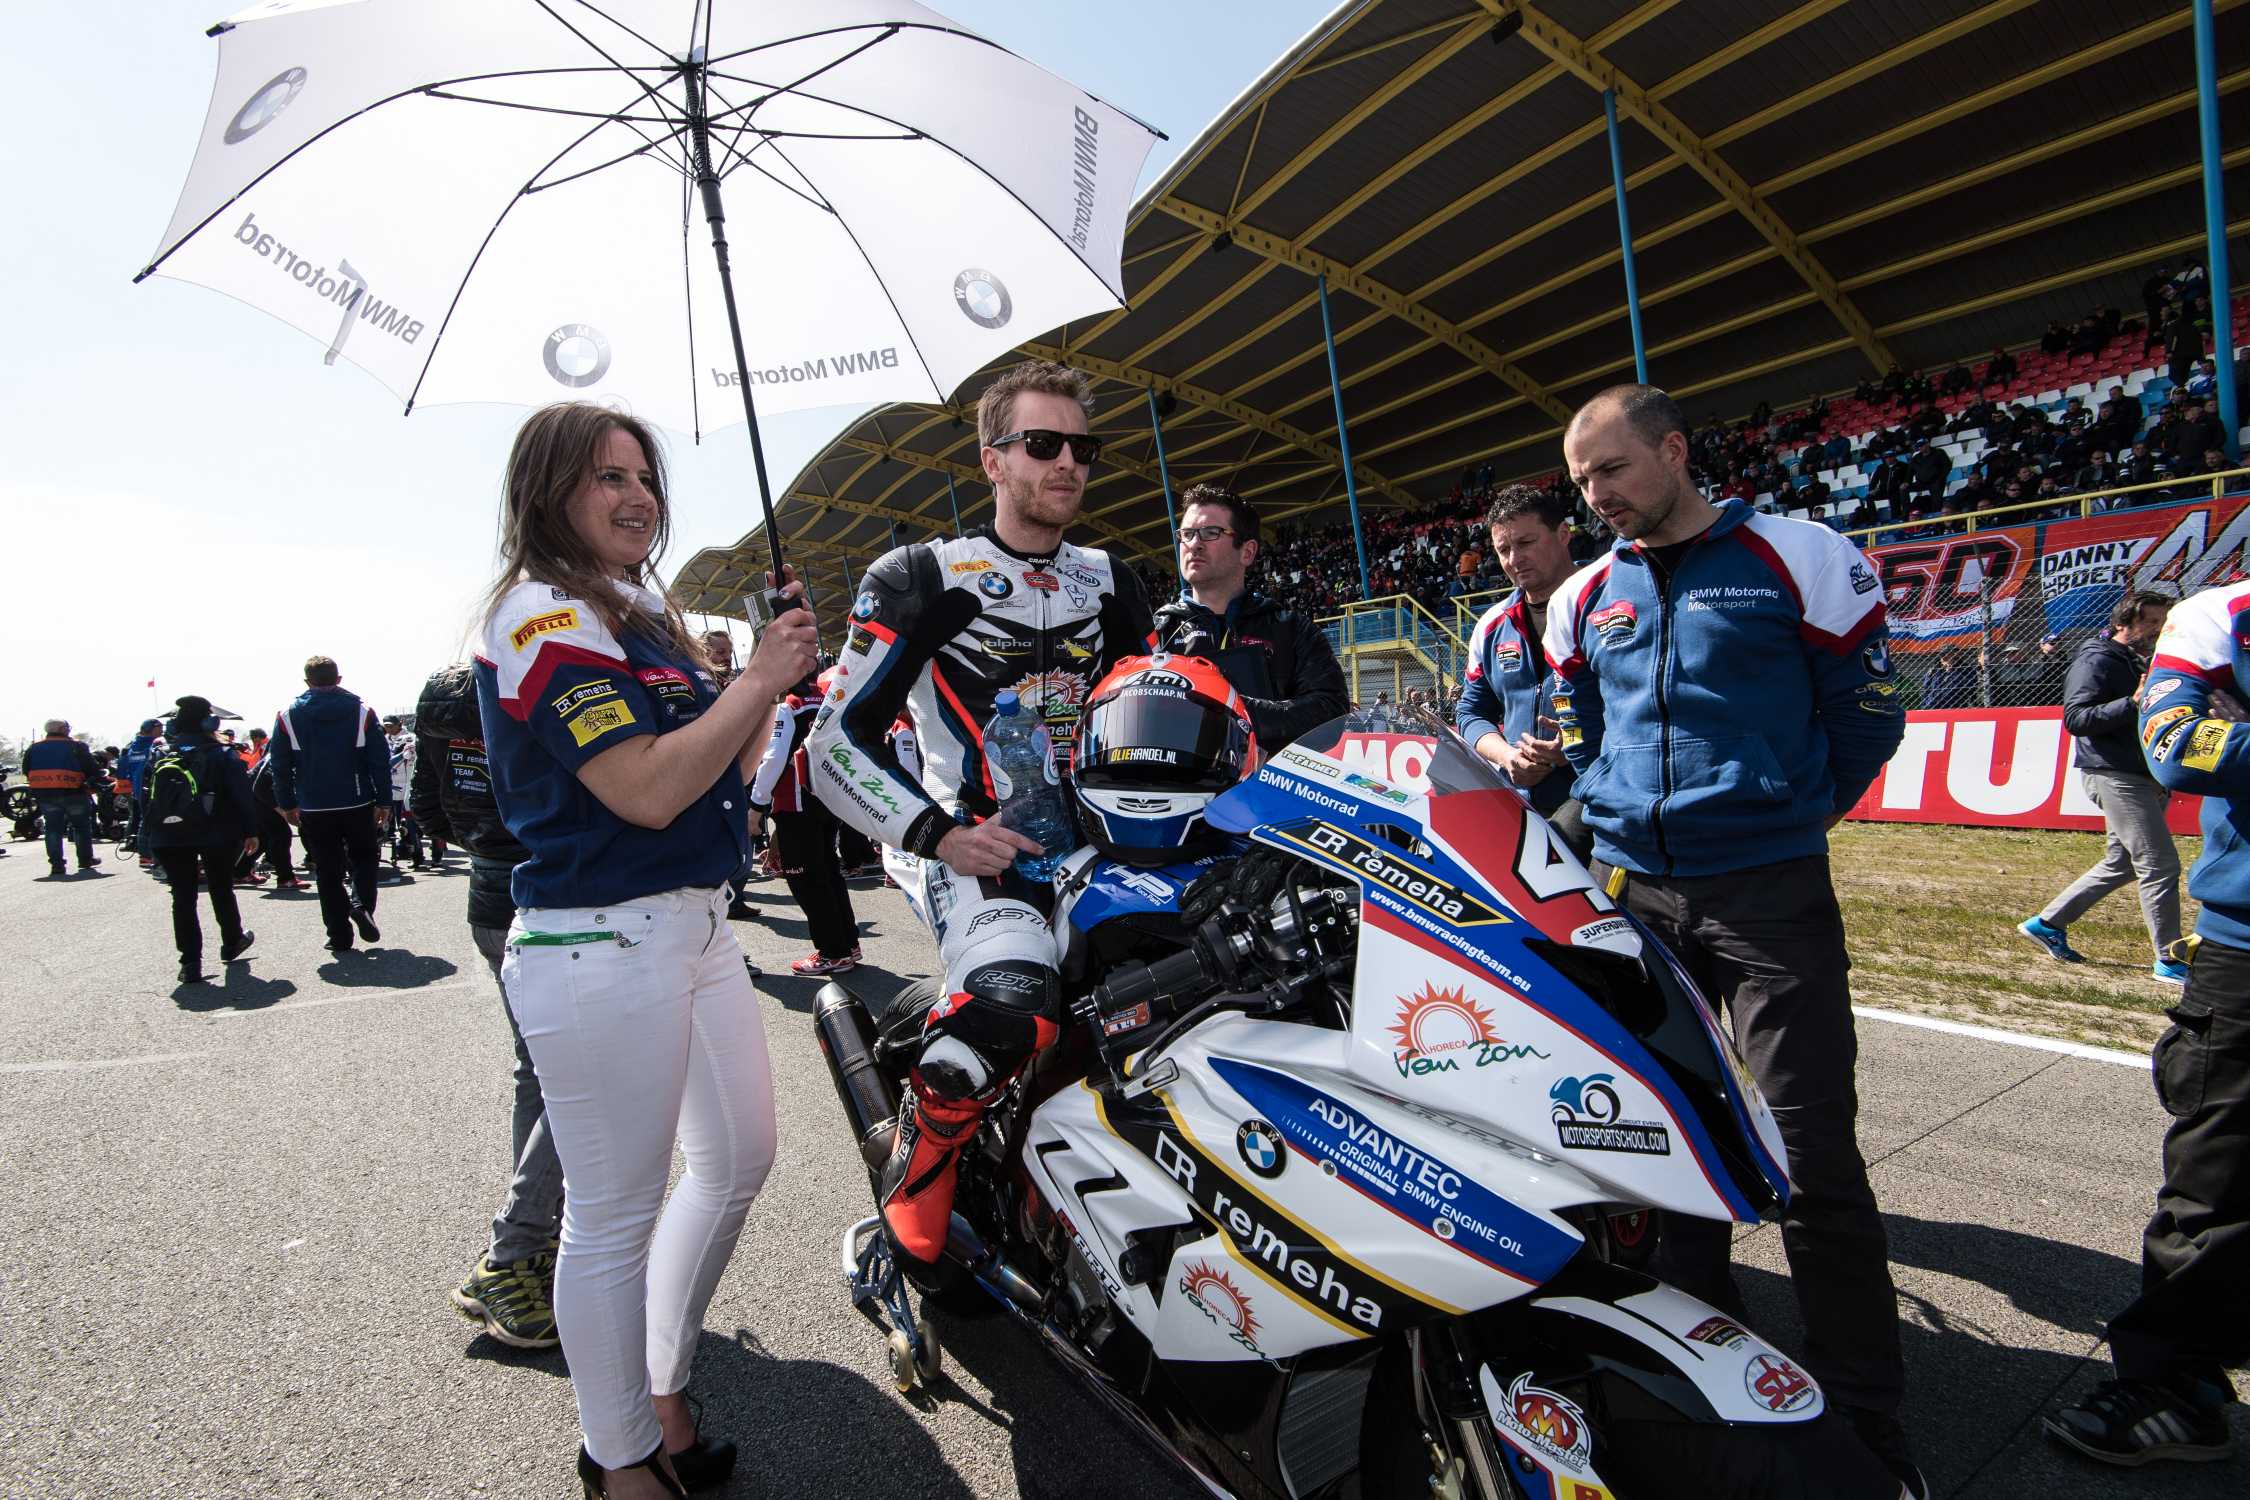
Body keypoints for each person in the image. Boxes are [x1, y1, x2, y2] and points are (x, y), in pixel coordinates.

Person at [1548, 383, 1922, 1497]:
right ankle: (1702, 1366)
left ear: (1672, 453)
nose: (1596, 497)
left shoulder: (1799, 554)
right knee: (1660, 1149)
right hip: (1637, 900)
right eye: (1580, 483)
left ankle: (1870, 1420)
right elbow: (1581, 730)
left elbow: (1869, 715)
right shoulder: (1582, 595)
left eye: (1610, 472)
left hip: (1770, 896)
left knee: (1813, 1167)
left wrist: (1787, 813)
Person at [475, 401, 815, 1499]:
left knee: (740, 1158)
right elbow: (646, 787)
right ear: (547, 494)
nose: (637, 498)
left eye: (646, 476)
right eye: (605, 477)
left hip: (699, 929)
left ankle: (661, 1384)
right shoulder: (537, 615)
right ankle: (618, 1456)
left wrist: (775, 675)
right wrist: (756, 680)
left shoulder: (643, 612)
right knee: (612, 1216)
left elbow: (723, 763)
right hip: (598, 943)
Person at [805, 358, 1156, 1276]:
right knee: (1010, 1002)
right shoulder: (919, 574)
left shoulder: (1115, 578)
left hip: (1093, 846)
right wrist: (939, 835)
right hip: (969, 845)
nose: (1068, 463)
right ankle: (914, 1185)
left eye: (1084, 447)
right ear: (993, 461)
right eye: (1043, 444)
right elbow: (836, 747)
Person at [2045, 582, 2250, 1466]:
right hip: (2244, 945)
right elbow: (2176, 746)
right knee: (2217, 1175)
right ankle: (2178, 1384)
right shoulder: (2219, 615)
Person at [411, 660, 563, 1350]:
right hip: (550, 893)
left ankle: (531, 1242)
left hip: (489, 893)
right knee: (579, 1082)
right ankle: (513, 1251)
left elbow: (426, 808)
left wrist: (487, 847)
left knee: (543, 1074)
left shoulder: (442, 689)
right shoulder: (541, 674)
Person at [2020, 593, 2184, 980]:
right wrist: (2134, 702)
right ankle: (2170, 959)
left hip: (2142, 773)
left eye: (2164, 621)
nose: (2159, 630)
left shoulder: (2144, 660)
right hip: (2114, 774)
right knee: (2159, 865)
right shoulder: (2098, 658)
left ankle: (2048, 923)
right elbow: (2077, 718)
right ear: (2124, 622)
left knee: (2121, 863)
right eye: (2152, 622)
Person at [1152, 483, 1350, 752]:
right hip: (1177, 790)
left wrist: (1224, 709)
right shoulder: (1156, 631)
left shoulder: (1291, 629)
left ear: (1247, 551)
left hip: (1265, 789)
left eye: (1211, 533)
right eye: (1187, 534)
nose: (1194, 544)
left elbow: (1331, 715)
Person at [1456, 483, 1589, 859]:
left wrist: (1575, 743)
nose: (1515, 559)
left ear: (1563, 535)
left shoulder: (1608, 603)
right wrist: (1506, 757)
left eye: (1526, 543)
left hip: (1593, 792)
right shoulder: (1492, 625)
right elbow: (1470, 712)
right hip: (1515, 797)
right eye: (1503, 550)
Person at [269, 657, 392, 952]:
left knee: (327, 870)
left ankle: (338, 934)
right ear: (338, 679)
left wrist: (286, 803)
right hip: (357, 800)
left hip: (313, 805)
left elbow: (280, 765)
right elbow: (379, 760)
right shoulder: (362, 711)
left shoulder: (287, 716)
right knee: (364, 858)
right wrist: (384, 800)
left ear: (307, 682)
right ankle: (360, 905)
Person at [748, 671, 861, 975]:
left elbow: (773, 758)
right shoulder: (827, 699)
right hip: (826, 798)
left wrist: (757, 804)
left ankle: (833, 953)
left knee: (807, 880)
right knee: (829, 873)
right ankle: (847, 944)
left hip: (795, 802)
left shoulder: (789, 705)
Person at [146, 695, 258, 984]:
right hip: (217, 831)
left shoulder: (160, 753)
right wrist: (251, 830)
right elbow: (242, 795)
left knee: (182, 897)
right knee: (221, 887)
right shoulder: (222, 753)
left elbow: (145, 797)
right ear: (211, 722)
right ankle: (232, 940)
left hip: (169, 832)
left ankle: (190, 963)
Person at [23, 719, 101, 878]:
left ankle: (57, 865)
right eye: (68, 727)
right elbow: (93, 768)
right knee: (81, 827)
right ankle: (85, 860)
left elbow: (26, 769)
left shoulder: (34, 748)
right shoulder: (76, 746)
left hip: (45, 795)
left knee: (53, 829)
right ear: (62, 729)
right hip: (74, 793)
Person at [119, 718, 162, 860]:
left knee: (144, 819)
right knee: (150, 821)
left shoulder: (130, 747)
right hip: (151, 787)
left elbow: (122, 770)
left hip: (138, 789)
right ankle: (147, 855)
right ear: (152, 729)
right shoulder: (155, 746)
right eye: (160, 727)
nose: (162, 730)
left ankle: (144, 853)